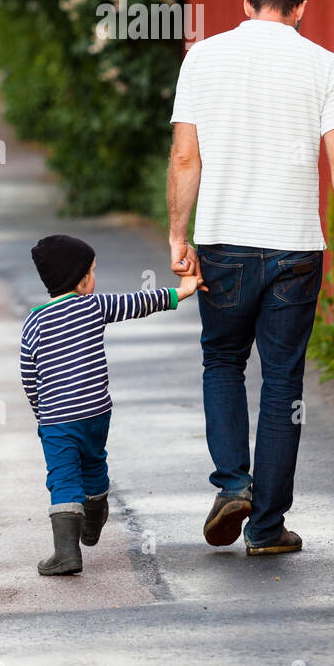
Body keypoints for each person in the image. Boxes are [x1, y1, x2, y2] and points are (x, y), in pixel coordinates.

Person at [167, 0, 334, 555]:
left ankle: (233, 482)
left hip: (223, 244)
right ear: (300, 10)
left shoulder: (202, 58)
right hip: (295, 248)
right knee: (284, 381)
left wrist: (177, 234)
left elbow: (185, 157)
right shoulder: (325, 66)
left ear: (246, 4)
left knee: (223, 363)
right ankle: (266, 527)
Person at [21, 233, 200, 576]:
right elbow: (139, 302)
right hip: (97, 412)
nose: (94, 277)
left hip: (57, 419)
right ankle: (96, 510)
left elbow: (29, 373)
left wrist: (39, 412)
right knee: (93, 462)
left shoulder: (36, 322)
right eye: (92, 270)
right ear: (82, 278)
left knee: (63, 477)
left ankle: (66, 553)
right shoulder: (95, 306)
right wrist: (183, 291)